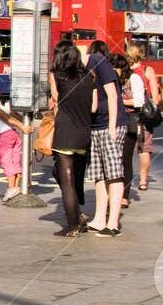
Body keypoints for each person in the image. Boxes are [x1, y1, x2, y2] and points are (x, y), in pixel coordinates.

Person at [48, 39, 95, 237]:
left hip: (65, 131)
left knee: (66, 180)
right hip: (84, 132)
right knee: (72, 178)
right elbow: (93, 107)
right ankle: (78, 216)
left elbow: (56, 98)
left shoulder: (56, 75)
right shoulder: (89, 76)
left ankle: (72, 225)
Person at [86, 40, 127, 237]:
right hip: (96, 125)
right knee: (100, 174)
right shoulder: (87, 66)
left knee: (113, 173)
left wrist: (112, 127)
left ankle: (113, 223)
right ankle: (99, 218)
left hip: (110, 125)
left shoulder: (96, 60)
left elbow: (112, 94)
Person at [0, 86, 28, 204]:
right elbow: (16, 115)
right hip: (14, 135)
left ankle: (11, 188)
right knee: (15, 160)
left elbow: (8, 119)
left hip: (4, 136)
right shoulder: (6, 104)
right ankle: (15, 187)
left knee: (6, 161)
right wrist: (25, 123)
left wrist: (23, 127)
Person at [124, 43, 158, 193]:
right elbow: (155, 97)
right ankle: (143, 181)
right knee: (144, 149)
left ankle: (125, 181)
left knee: (127, 151)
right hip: (144, 116)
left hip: (127, 114)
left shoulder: (125, 72)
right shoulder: (147, 70)